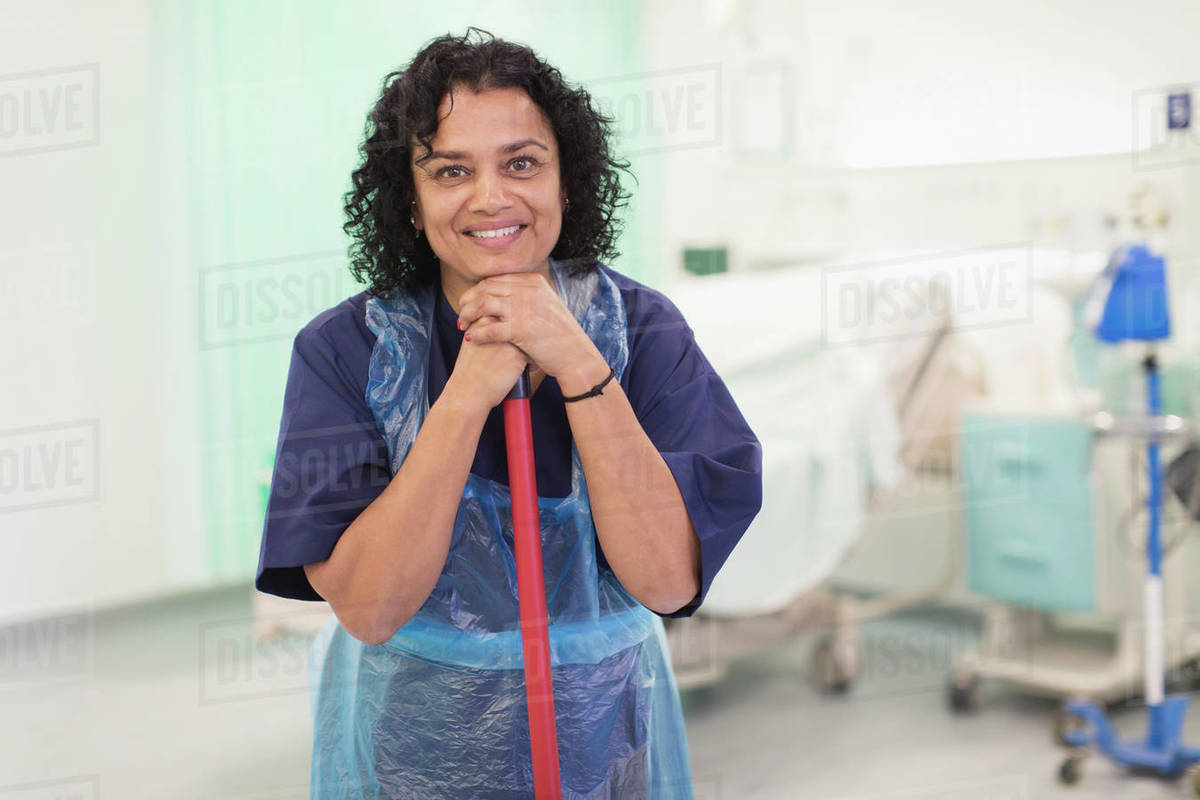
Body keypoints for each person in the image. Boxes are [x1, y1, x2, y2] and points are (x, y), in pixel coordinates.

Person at [255, 28, 762, 800]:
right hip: (408, 749)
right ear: (412, 199)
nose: (491, 197)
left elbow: (666, 581)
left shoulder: (644, 332)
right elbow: (370, 606)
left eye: (522, 163)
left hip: (608, 745)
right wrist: (466, 393)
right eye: (451, 170)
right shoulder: (344, 350)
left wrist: (581, 367)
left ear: (567, 182)